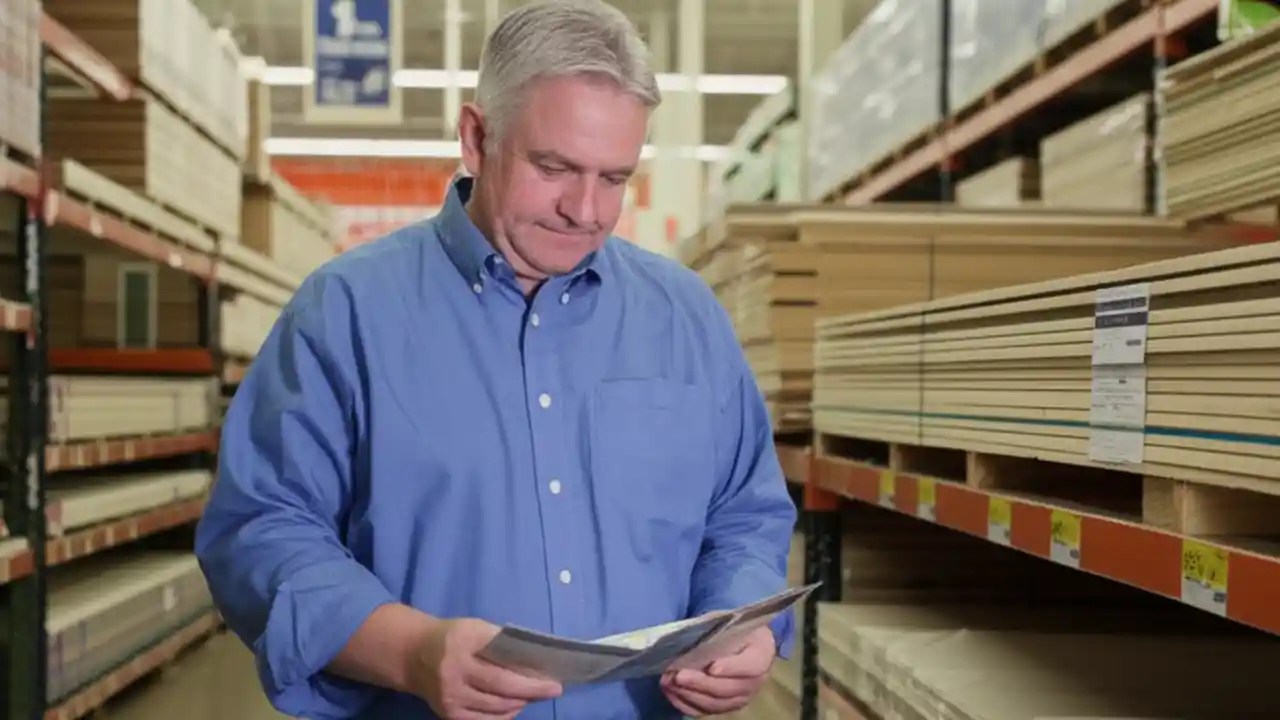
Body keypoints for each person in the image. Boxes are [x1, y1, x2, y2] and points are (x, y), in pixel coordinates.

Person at [195, 1, 798, 718]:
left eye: (615, 178)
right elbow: (261, 528)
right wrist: (410, 650)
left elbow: (743, 515)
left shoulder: (686, 317)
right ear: (477, 138)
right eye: (554, 167)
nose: (586, 210)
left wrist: (743, 627)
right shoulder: (346, 312)